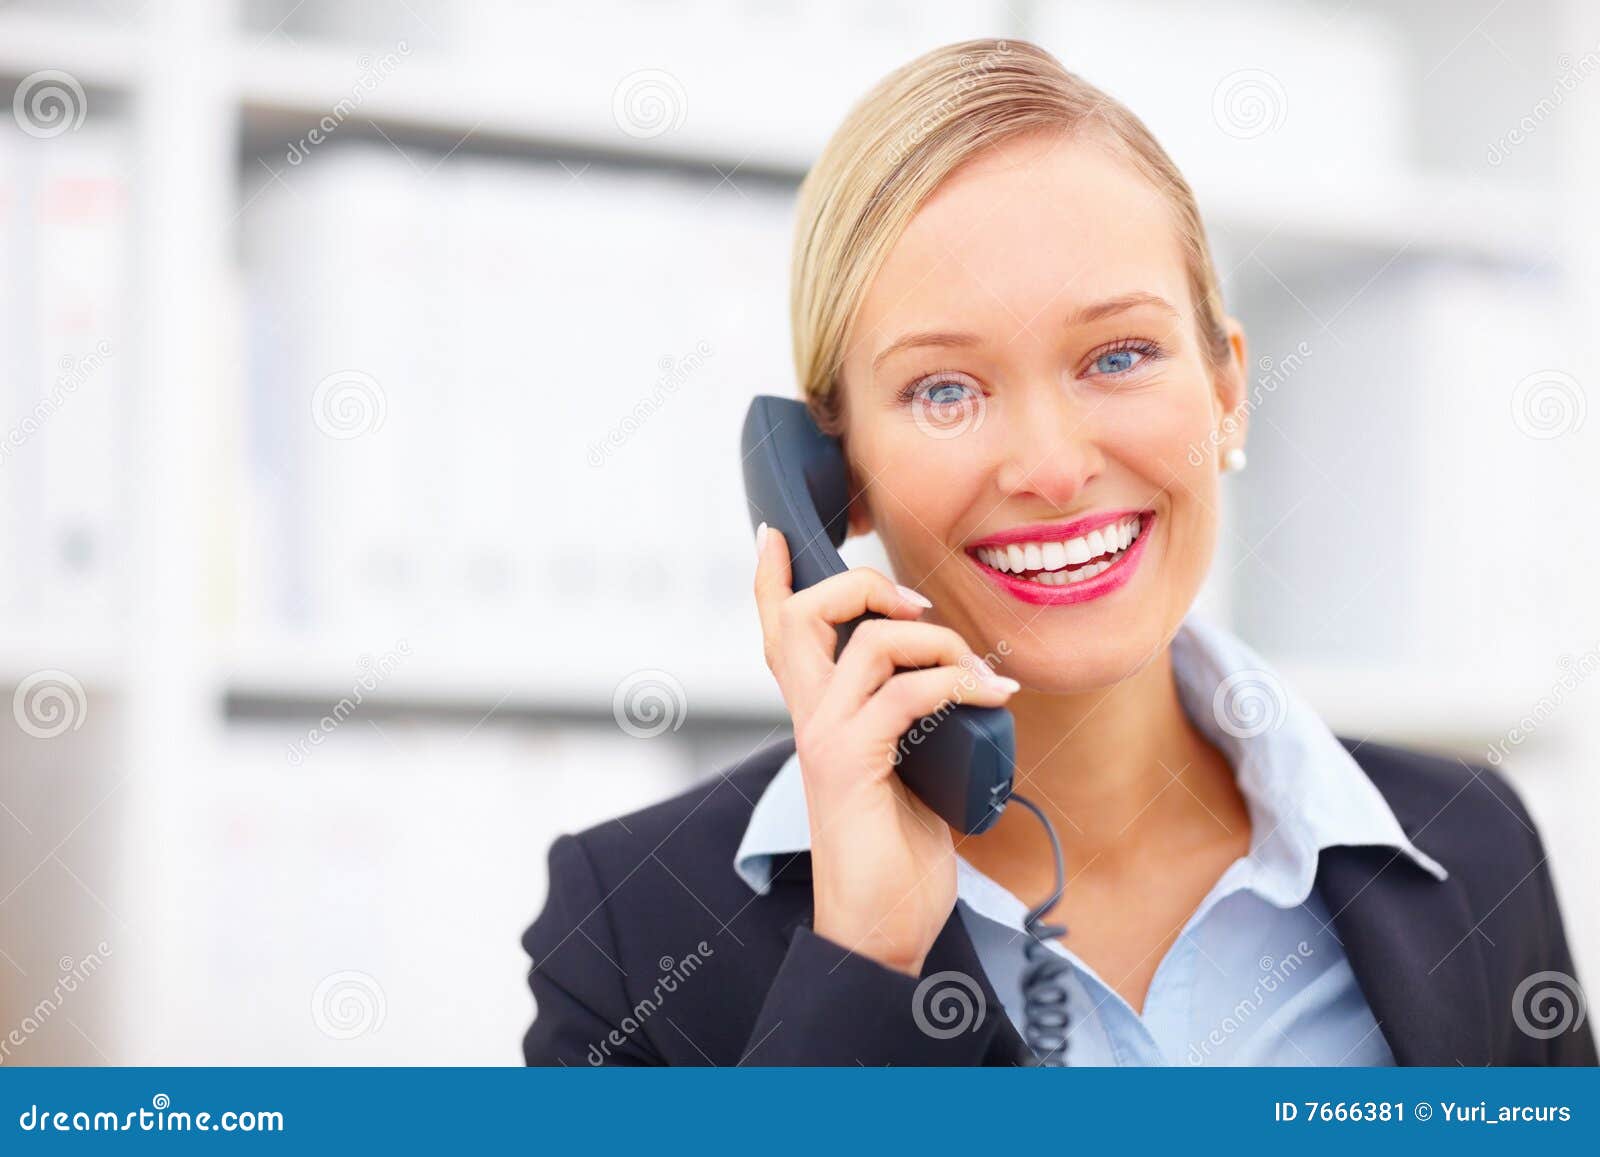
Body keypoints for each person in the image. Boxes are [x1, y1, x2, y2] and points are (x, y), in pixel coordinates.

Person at [520, 38, 1595, 1066]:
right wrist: (864, 958)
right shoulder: (631, 929)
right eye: (945, 387)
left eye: (1117, 354)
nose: (1049, 464)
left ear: (1224, 395)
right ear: (824, 469)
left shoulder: (1470, 845)